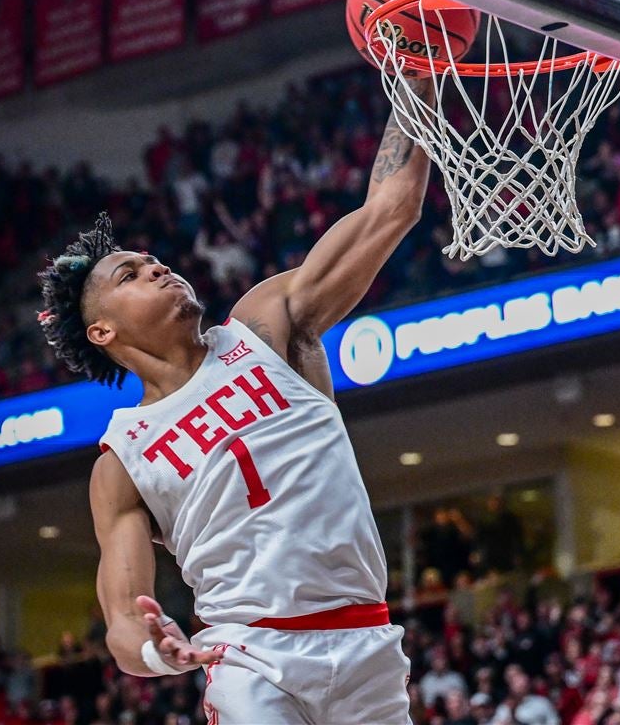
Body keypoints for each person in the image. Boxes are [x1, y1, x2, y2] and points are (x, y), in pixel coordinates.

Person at [36, 79, 435, 722]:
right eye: (129, 275)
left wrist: (417, 71)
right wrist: (155, 648)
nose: (156, 267)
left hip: (369, 643)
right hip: (253, 657)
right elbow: (122, 615)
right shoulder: (122, 460)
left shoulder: (267, 327)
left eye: (153, 259)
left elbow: (392, 209)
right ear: (101, 331)